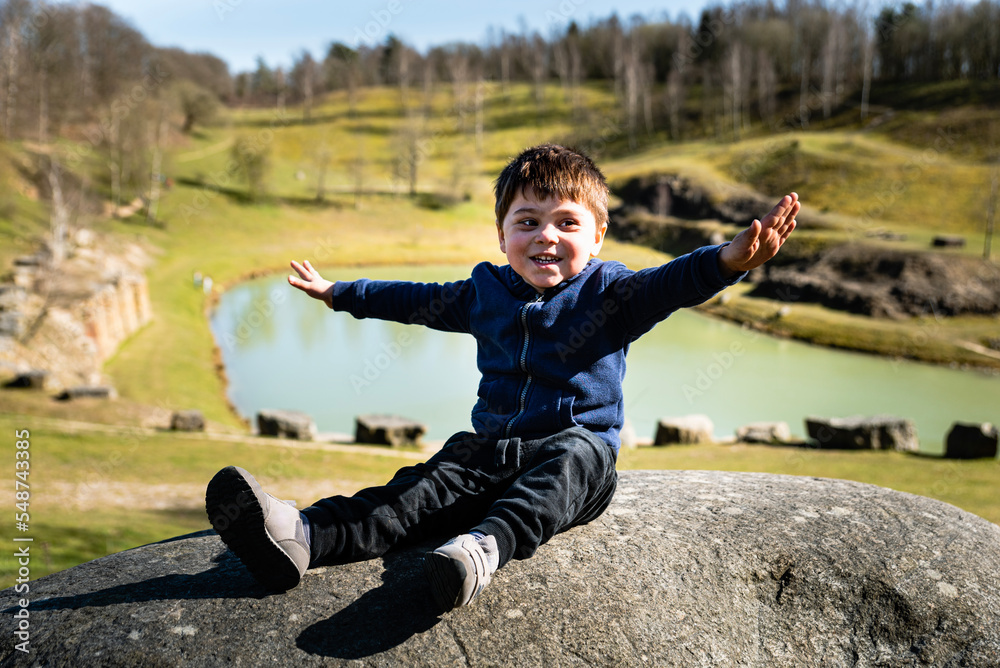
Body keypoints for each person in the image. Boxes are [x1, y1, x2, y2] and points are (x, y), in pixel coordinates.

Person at [205, 144, 799, 612]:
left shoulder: (611, 293)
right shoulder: (484, 293)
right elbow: (415, 300)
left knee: (577, 455)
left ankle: (482, 549)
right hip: (487, 453)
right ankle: (302, 534)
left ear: (597, 238)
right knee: (413, 493)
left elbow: (673, 281)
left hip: (573, 458)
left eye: (568, 223)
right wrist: (340, 294)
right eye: (528, 221)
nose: (546, 236)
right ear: (502, 235)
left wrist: (729, 261)